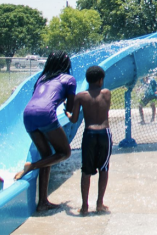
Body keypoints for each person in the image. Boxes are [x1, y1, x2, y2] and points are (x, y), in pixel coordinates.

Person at [14, 51, 76, 212]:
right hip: (45, 114)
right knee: (65, 152)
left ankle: (42, 202)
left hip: (28, 114)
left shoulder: (41, 78)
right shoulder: (69, 79)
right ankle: (32, 166)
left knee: (47, 156)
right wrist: (68, 105)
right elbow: (69, 109)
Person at [65, 65, 112, 215]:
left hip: (89, 133)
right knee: (104, 168)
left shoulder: (80, 96)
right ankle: (99, 204)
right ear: (101, 80)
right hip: (104, 133)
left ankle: (84, 206)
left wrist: (67, 114)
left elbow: (74, 120)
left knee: (86, 170)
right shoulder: (107, 93)